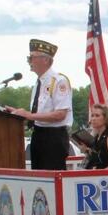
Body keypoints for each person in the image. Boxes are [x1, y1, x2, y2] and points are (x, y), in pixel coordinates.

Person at [6, 39, 73, 170]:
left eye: (32, 57)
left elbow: (60, 114)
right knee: (39, 179)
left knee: (51, 177)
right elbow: (37, 113)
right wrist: (18, 114)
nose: (29, 61)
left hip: (54, 137)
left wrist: (29, 116)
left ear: (45, 60)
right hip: (38, 134)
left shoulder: (59, 81)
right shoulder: (39, 83)